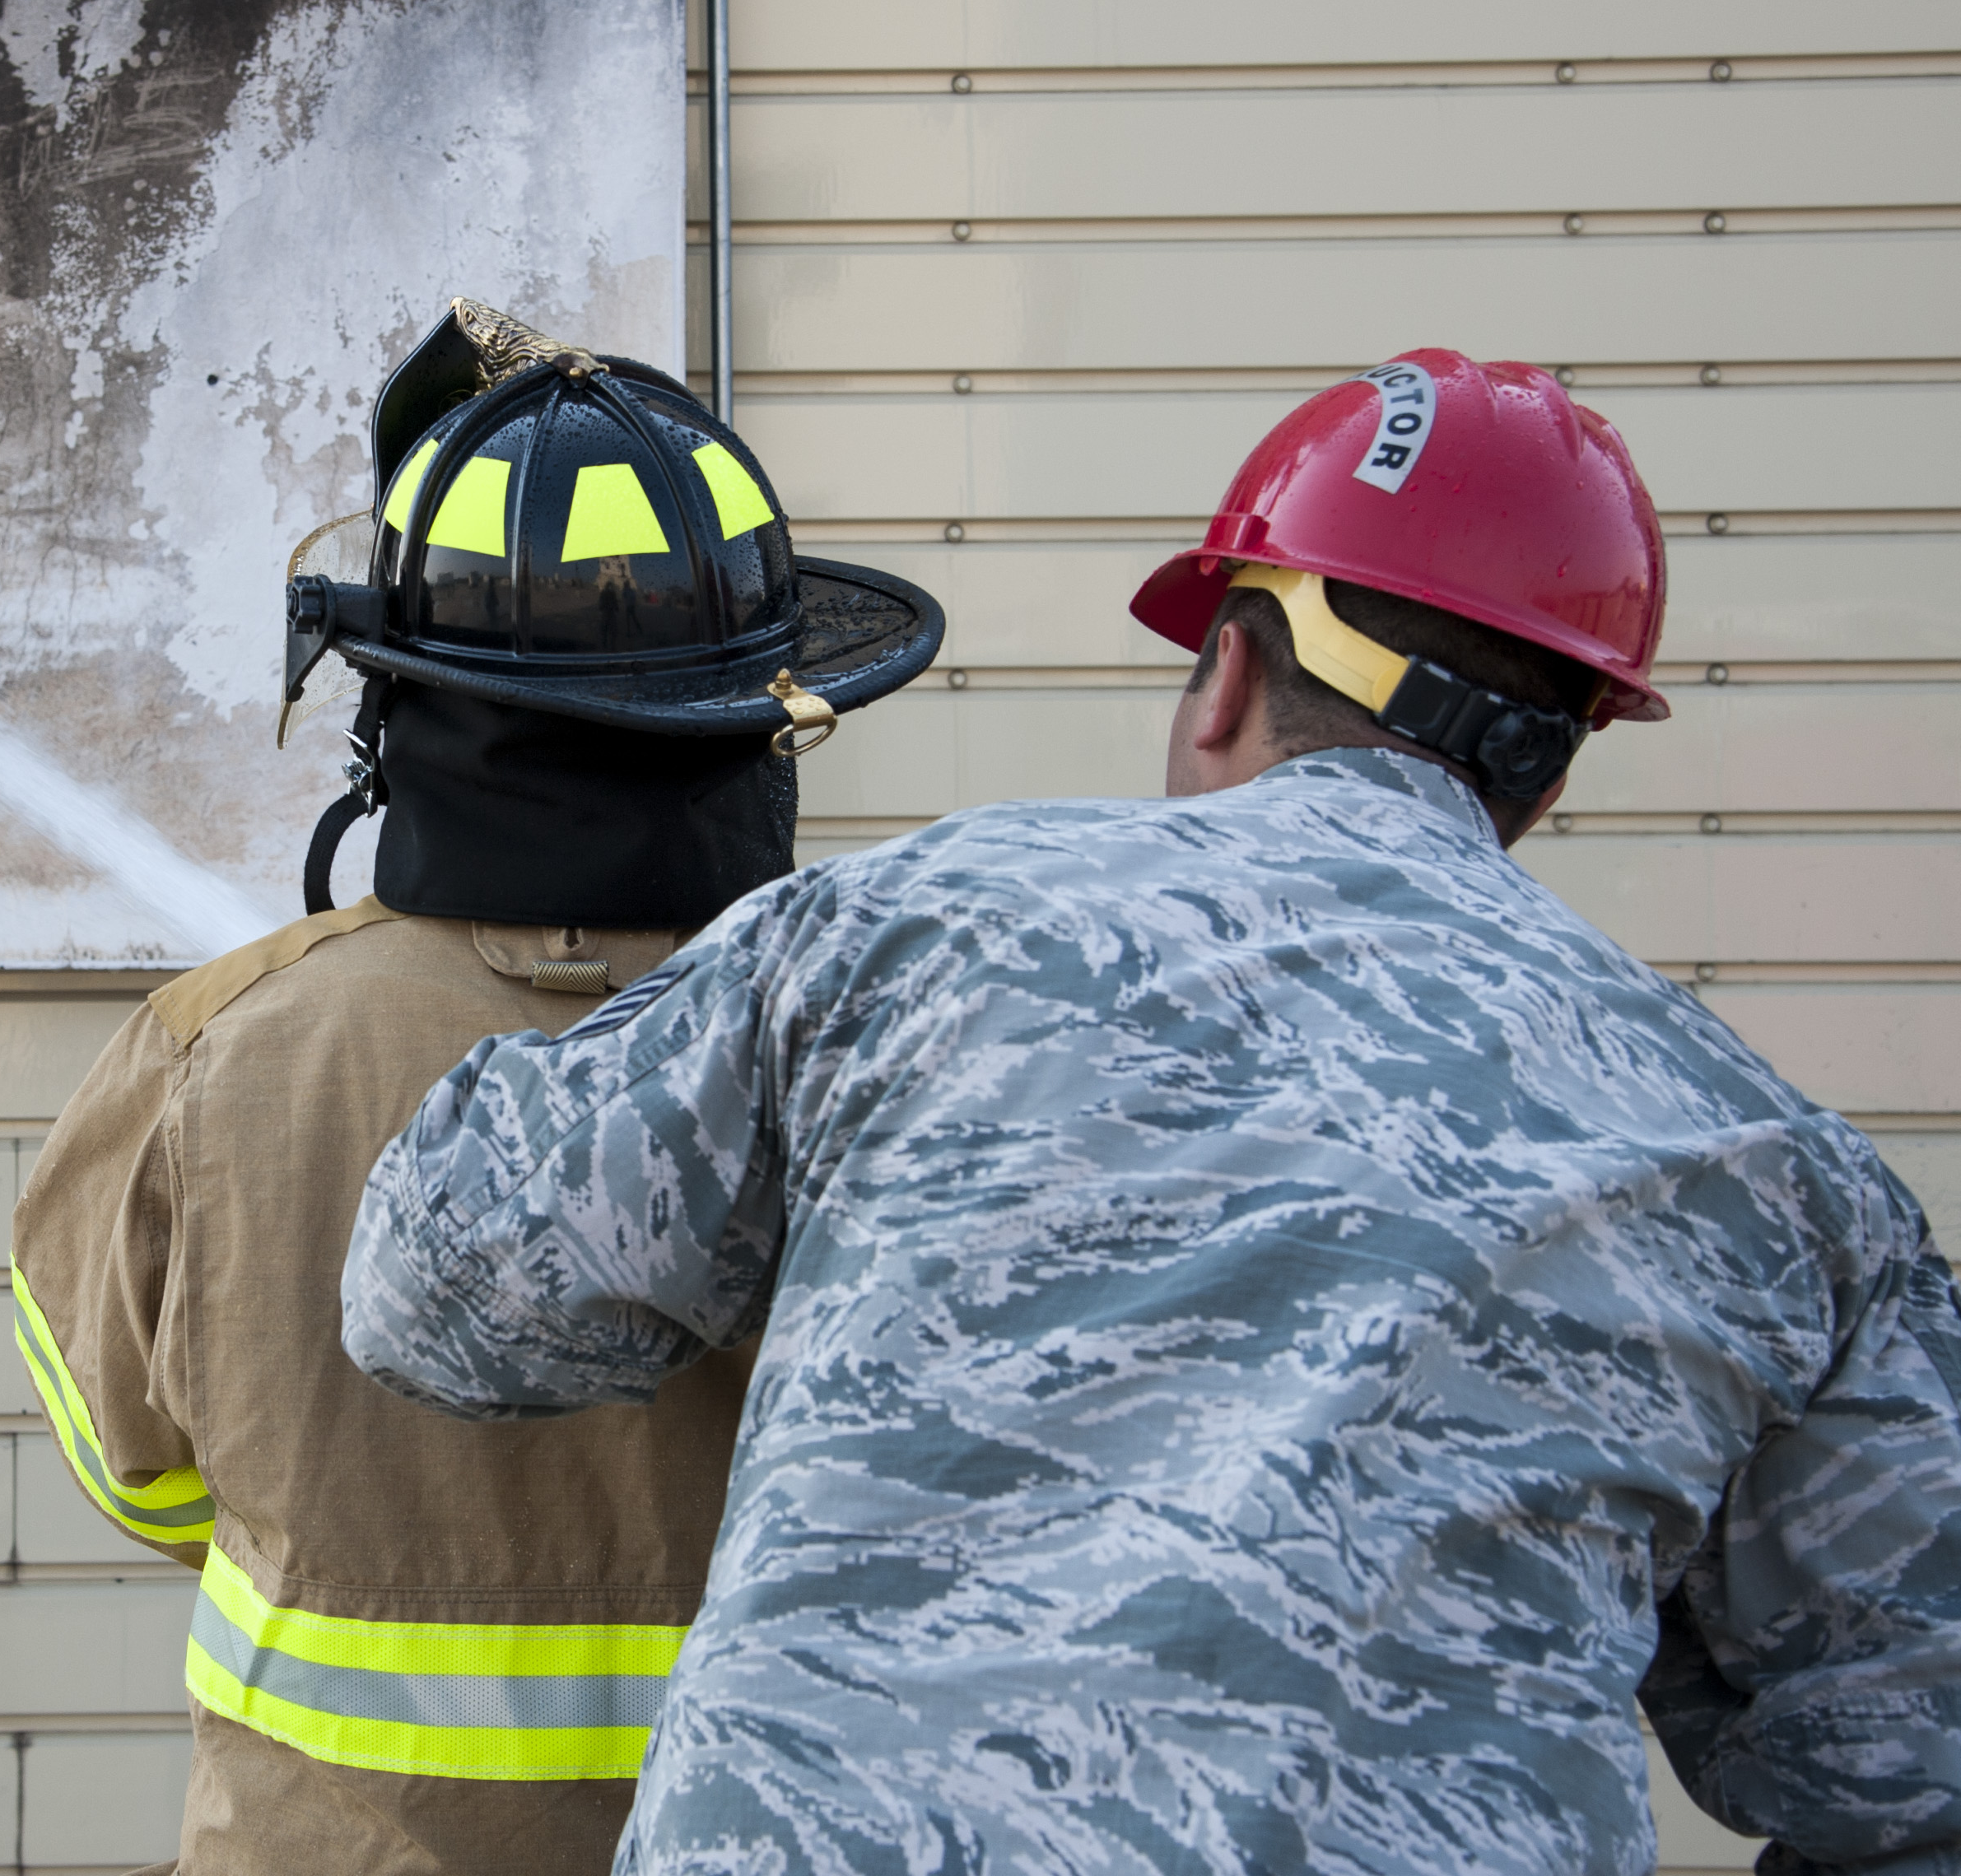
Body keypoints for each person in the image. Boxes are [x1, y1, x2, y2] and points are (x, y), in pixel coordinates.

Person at [340, 348, 1961, 1875]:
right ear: (1550, 771)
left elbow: (431, 1295)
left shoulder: (919, 924)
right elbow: (1917, 1771)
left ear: (1225, 674)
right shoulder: (1781, 1175)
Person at [10, 301, 943, 1874]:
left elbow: (137, 1472)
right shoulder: (894, 1040)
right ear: (763, 715)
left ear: (391, 704)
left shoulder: (215, 1053)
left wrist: (378, 1517)